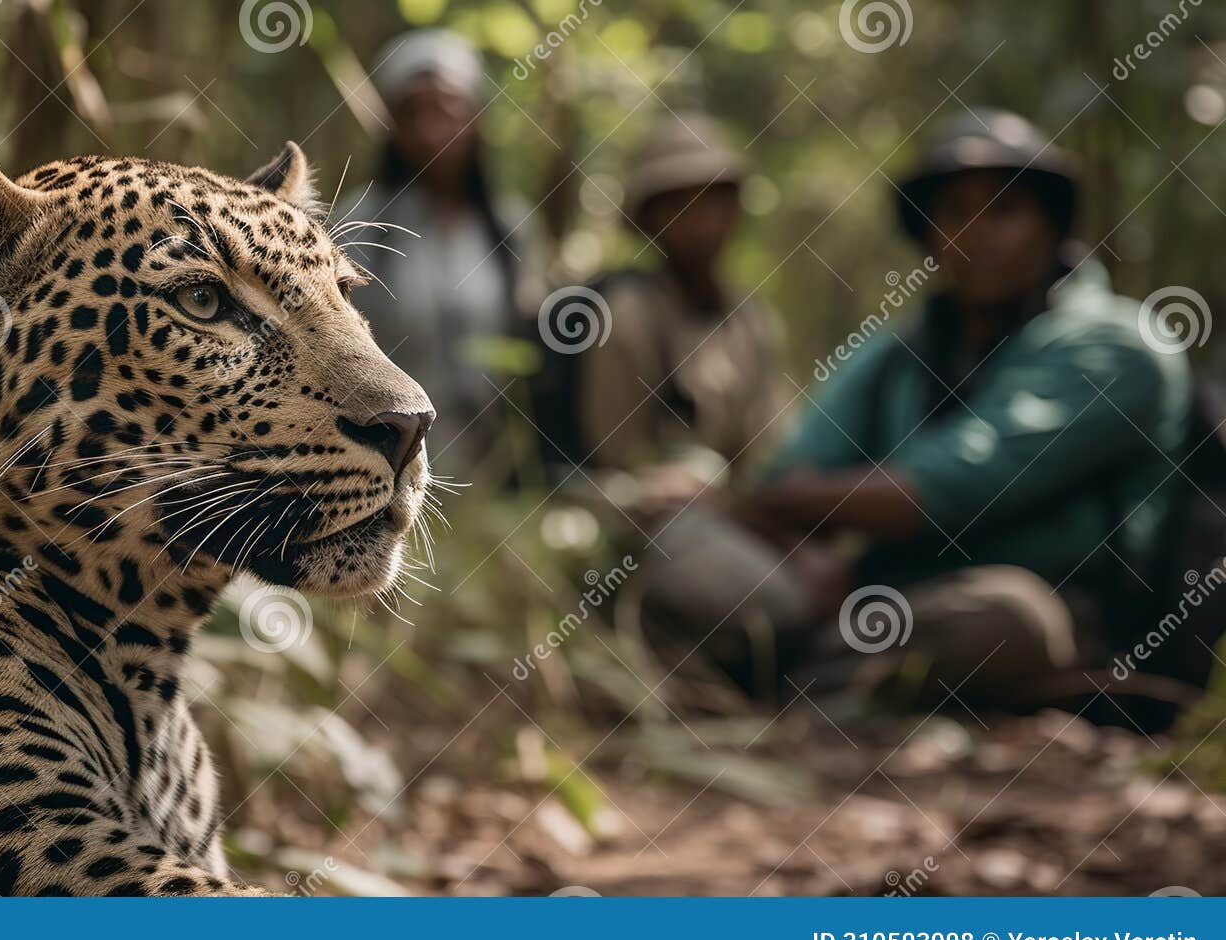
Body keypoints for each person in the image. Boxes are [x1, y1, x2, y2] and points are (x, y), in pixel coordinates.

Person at [645, 108, 1192, 710]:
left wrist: (777, 511)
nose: (976, 234)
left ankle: (780, 682)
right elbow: (794, 470)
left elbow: (948, 486)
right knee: (678, 539)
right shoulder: (895, 356)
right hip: (879, 602)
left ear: (1050, 226)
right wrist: (805, 549)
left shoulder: (1115, 346)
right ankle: (796, 675)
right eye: (955, 213)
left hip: (1054, 618)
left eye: (1004, 211)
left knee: (1007, 618)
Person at [338, 30, 533, 479]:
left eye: (447, 109)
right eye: (414, 112)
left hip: (491, 474)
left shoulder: (510, 229)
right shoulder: (361, 222)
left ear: (477, 117)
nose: (432, 129)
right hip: (383, 467)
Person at [575, 112, 790, 505]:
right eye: (680, 205)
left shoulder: (750, 319)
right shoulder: (627, 316)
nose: (702, 221)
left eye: (714, 200)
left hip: (740, 515)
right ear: (651, 219)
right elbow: (614, 457)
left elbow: (768, 446)